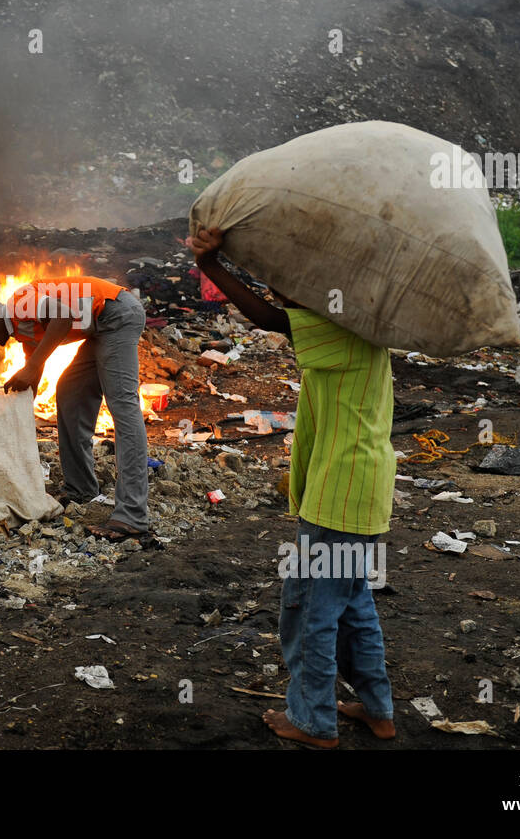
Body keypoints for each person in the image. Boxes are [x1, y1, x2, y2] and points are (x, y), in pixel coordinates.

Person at [188, 226, 397, 748]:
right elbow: (281, 306)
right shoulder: (363, 324)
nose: (286, 289)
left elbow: (268, 317)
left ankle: (312, 722)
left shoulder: (338, 327)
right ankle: (377, 709)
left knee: (308, 611)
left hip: (339, 494)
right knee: (353, 607)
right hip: (360, 491)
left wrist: (212, 264)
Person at [0, 275, 150, 541]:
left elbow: (62, 317)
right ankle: (81, 488)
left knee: (123, 406)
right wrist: (11, 417)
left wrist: (31, 367)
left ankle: (132, 515)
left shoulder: (19, 301)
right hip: (98, 327)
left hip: (116, 313)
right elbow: (32, 379)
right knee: (70, 392)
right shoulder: (24, 333)